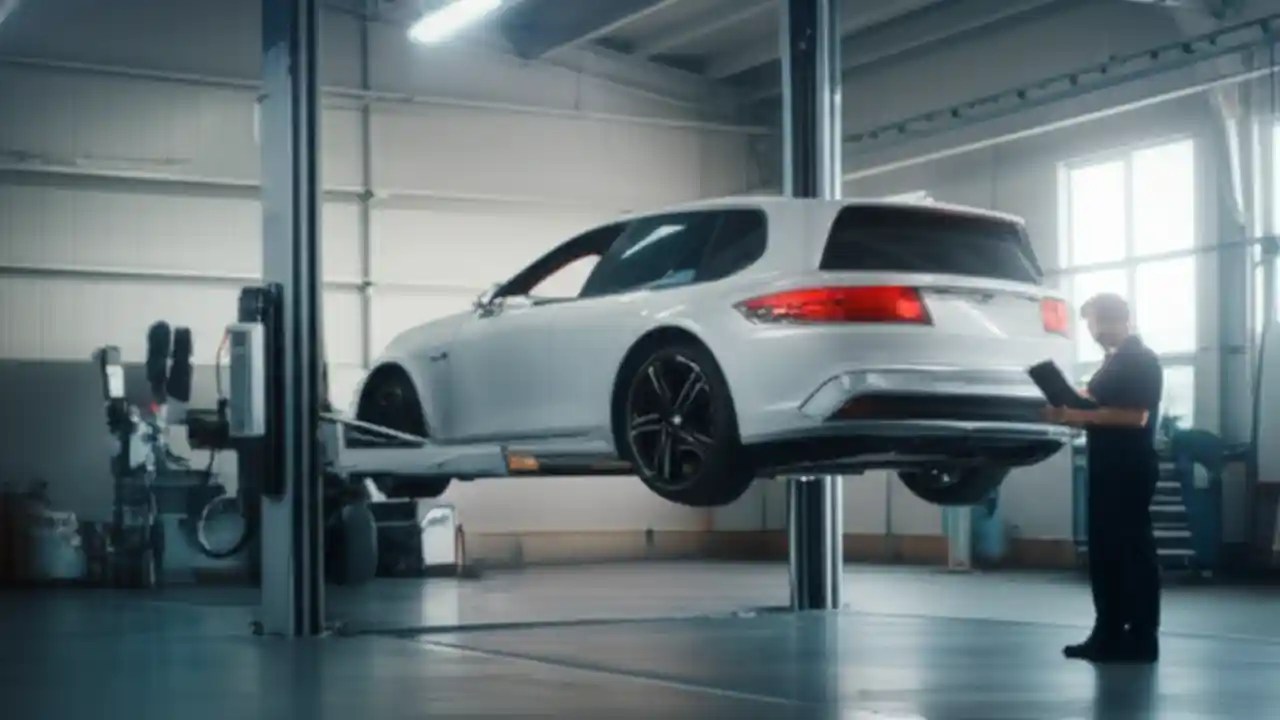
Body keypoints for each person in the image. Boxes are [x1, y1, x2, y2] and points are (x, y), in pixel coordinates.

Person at [1043, 292, 1163, 663]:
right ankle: (1109, 631)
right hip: (1110, 465)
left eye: (1092, 323)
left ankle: (1140, 637)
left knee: (1130, 551)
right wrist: (1071, 406)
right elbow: (1099, 403)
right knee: (1108, 551)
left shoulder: (1139, 360)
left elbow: (1134, 416)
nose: (1092, 332)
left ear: (1111, 321)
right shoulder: (1114, 363)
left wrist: (1075, 417)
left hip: (1127, 467)